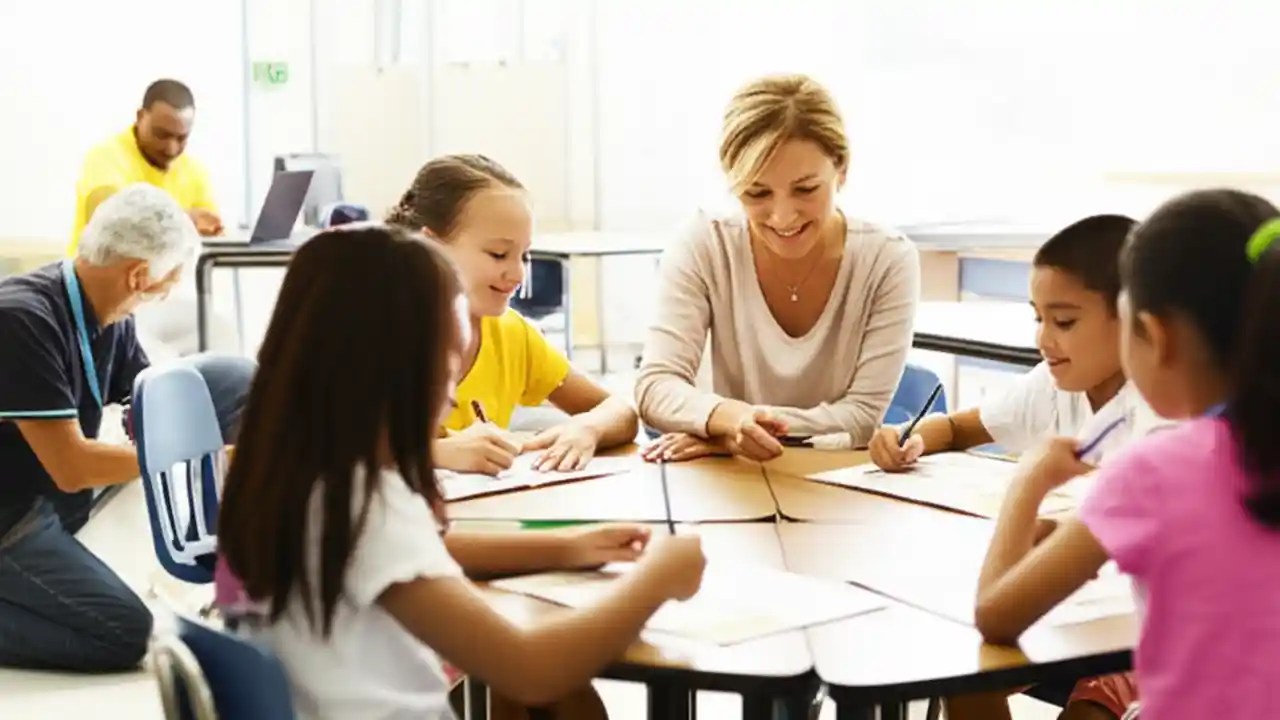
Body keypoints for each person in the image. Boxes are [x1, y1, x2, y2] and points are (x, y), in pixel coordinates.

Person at [217, 226, 706, 719]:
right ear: (389, 367)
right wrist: (656, 581)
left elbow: (407, 555)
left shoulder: (291, 476)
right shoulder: (369, 501)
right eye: (449, 363)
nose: (453, 393)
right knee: (552, 691)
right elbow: (530, 669)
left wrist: (568, 546)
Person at [974, 189, 1280, 719]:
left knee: (971, 680)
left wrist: (1029, 478)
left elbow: (995, 614)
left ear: (1154, 337)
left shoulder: (1153, 471)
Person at [0, 184, 255, 672]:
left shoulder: (107, 313)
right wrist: (207, 460)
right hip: (11, 515)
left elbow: (151, 404)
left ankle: (238, 573)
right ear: (140, 276)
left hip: (49, 495)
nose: (163, 296)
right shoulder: (20, 320)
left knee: (236, 382)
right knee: (127, 634)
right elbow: (72, 467)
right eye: (169, 283)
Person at [635, 74, 920, 464]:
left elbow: (862, 417)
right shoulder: (706, 242)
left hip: (831, 483)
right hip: (725, 482)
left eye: (805, 189)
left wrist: (732, 432)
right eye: (757, 192)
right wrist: (727, 419)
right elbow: (654, 387)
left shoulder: (888, 260)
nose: (783, 216)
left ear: (842, 170)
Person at [387, 155, 638, 475]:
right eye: (498, 254)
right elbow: (322, 449)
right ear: (430, 247)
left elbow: (620, 410)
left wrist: (587, 429)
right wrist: (437, 452)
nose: (518, 274)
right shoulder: (378, 333)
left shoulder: (510, 334)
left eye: (524, 255)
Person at [868, 214, 1165, 474]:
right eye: (1038, 318)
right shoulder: (1050, 386)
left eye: (1063, 321)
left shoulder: (1162, 416)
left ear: (1132, 318)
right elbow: (955, 429)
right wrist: (907, 438)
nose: (1043, 340)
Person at [71, 79, 230, 357]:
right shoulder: (106, 158)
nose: (171, 148)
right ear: (140, 117)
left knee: (221, 336)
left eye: (181, 138)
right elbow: (110, 216)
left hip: (163, 294)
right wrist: (185, 220)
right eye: (162, 134)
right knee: (153, 355)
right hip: (110, 295)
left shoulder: (193, 170)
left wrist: (210, 226)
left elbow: (207, 230)